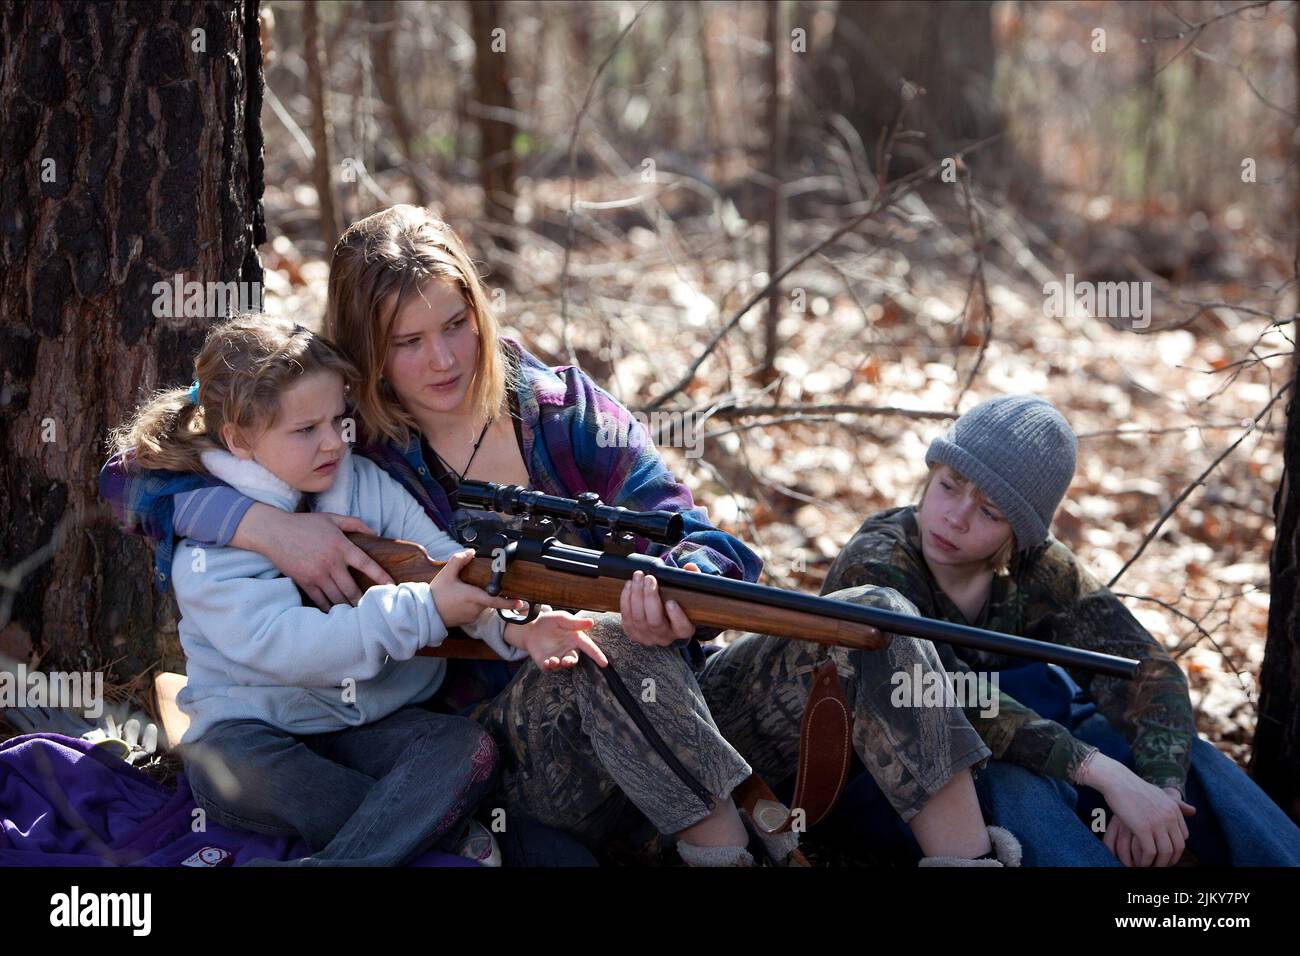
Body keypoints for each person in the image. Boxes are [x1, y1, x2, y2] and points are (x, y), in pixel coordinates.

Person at [100, 205, 1015, 865]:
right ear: (365, 352)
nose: (443, 360)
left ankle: (968, 860)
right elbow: (128, 478)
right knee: (603, 648)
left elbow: (709, 541)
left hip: (685, 716)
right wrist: (262, 525)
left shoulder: (563, 410)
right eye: (407, 341)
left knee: (876, 618)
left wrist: (677, 595)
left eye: (456, 325)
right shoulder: (349, 440)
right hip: (523, 758)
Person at [105, 314, 604, 865]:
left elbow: (445, 565)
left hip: (375, 726)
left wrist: (515, 628)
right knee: (235, 769)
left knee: (462, 748)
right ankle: (438, 836)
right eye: (305, 430)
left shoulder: (366, 485)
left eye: (339, 421)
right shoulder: (210, 544)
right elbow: (288, 649)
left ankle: (392, 841)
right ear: (240, 439)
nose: (333, 443)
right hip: (258, 729)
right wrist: (422, 610)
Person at [811, 393, 1300, 866]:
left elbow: (1148, 673)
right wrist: (1101, 773)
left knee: (1186, 756)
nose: (955, 518)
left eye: (989, 511)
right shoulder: (875, 564)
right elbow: (944, 695)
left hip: (1044, 750)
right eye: (949, 485)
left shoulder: (1038, 567)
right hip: (909, 784)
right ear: (932, 472)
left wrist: (1158, 793)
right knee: (1008, 776)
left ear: (1019, 530)